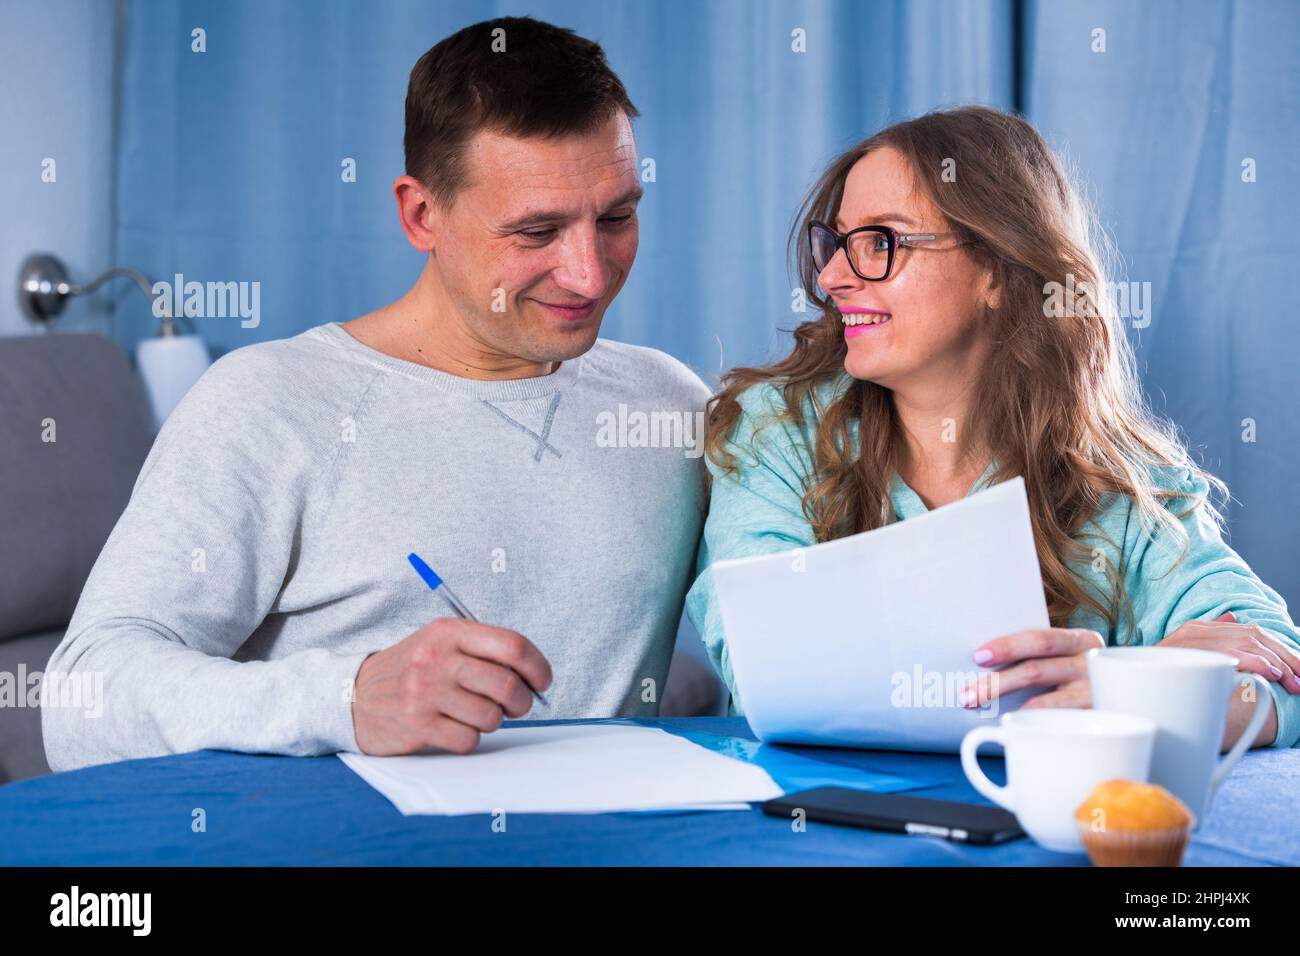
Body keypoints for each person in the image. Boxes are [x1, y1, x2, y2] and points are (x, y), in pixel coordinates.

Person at [43, 16, 709, 770]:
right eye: (535, 233)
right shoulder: (268, 403)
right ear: (421, 214)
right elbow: (82, 697)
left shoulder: (671, 406)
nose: (590, 275)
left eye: (617, 217)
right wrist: (349, 699)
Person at [685, 105, 1300, 751]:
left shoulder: (1122, 483)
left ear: (998, 271)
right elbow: (770, 667)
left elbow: (1277, 674)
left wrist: (1118, 684)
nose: (834, 277)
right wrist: (1147, 683)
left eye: (879, 241)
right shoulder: (772, 431)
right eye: (836, 243)